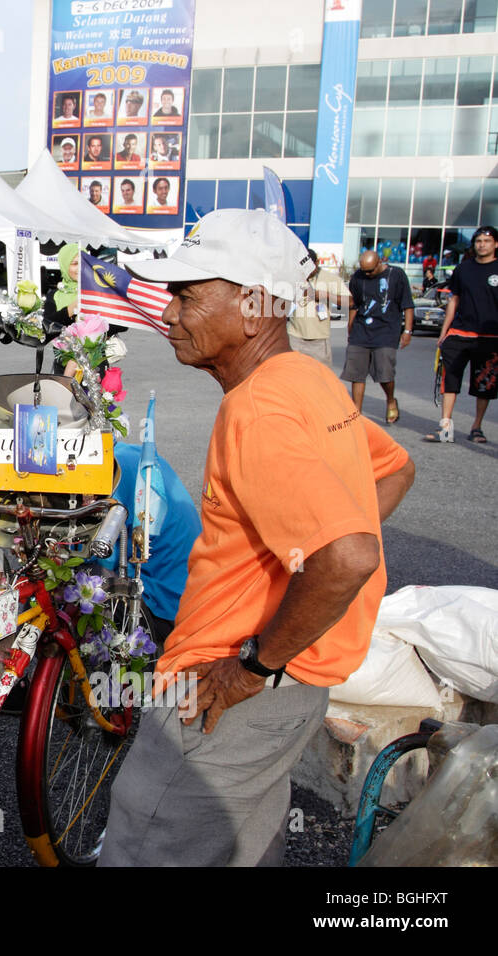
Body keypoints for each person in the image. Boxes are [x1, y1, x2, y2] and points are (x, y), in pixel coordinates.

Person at [100, 208, 414, 867]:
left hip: (227, 694)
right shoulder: (307, 381)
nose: (169, 313)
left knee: (152, 842)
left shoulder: (259, 405)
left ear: (251, 306)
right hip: (290, 687)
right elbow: (391, 469)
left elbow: (347, 553)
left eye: (187, 296)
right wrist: (298, 576)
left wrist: (256, 663)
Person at [95, 442, 201, 644]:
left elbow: (101, 560)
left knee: (79, 588)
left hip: (165, 607)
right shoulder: (127, 453)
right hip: (191, 592)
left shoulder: (109, 473)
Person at [425, 224, 498, 443]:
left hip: (490, 337)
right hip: (459, 333)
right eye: (478, 241)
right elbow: (453, 300)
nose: (482, 245)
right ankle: (445, 426)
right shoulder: (463, 269)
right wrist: (444, 332)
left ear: (495, 244)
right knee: (450, 380)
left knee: (484, 384)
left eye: (486, 241)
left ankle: (477, 427)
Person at [343, 249, 414, 424]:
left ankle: (390, 400)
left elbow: (407, 304)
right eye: (364, 270)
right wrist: (350, 326)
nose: (367, 274)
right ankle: (356, 413)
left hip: (387, 330)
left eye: (370, 271)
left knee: (385, 373)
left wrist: (407, 331)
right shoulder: (358, 277)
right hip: (361, 329)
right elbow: (355, 304)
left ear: (379, 263)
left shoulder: (396, 275)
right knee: (356, 373)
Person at [287, 247, 349, 365]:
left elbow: (349, 302)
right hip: (294, 337)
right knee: (293, 377)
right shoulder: (294, 277)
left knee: (320, 377)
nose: (307, 272)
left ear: (317, 263)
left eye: (310, 268)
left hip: (319, 340)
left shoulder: (330, 279)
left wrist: (325, 295)